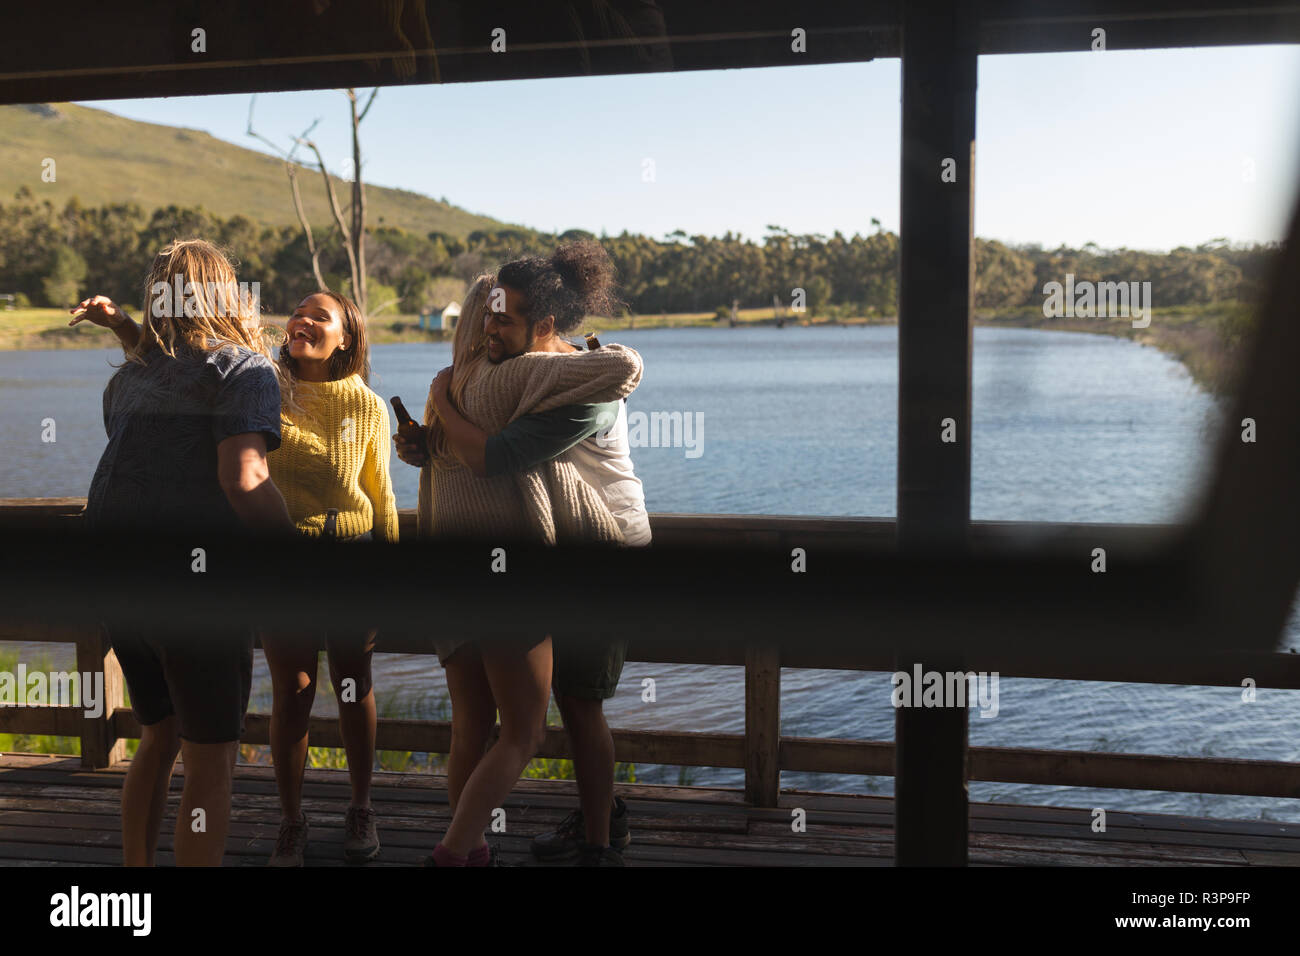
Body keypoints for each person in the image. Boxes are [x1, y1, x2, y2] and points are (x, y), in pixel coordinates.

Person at [85, 283, 398, 866]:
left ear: (347, 336)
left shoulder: (369, 406)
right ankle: (291, 818)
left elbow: (381, 496)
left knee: (356, 687)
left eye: (319, 315)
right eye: (297, 312)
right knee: (293, 692)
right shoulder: (262, 384)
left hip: (350, 556)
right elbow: (185, 371)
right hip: (277, 559)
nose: (301, 319)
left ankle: (361, 805)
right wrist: (127, 328)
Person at [396, 241, 642, 866]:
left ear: (546, 325)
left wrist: (444, 401)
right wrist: (431, 444)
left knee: (581, 705)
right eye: (488, 314)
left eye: (502, 317)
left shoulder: (584, 388)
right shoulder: (509, 374)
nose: (487, 326)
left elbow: (497, 455)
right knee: (525, 719)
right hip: (543, 550)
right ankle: (480, 845)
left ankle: (596, 840)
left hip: (600, 551)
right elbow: (480, 449)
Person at [75, 238, 293, 866]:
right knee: (211, 759)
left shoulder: (132, 377)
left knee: (158, 736)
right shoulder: (243, 369)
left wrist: (121, 325)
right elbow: (243, 479)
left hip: (115, 582)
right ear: (228, 293)